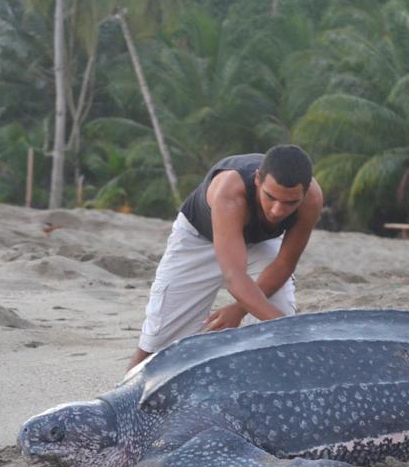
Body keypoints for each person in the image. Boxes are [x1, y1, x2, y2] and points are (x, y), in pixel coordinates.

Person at [127, 145, 323, 370]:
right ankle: (120, 398)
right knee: (159, 340)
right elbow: (234, 277)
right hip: (199, 237)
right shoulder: (229, 190)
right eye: (270, 197)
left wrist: (239, 309)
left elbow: (284, 263)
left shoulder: (312, 200)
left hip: (259, 243)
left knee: (275, 324)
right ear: (258, 180)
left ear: (305, 193)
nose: (277, 210)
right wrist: (293, 332)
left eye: (290, 203)